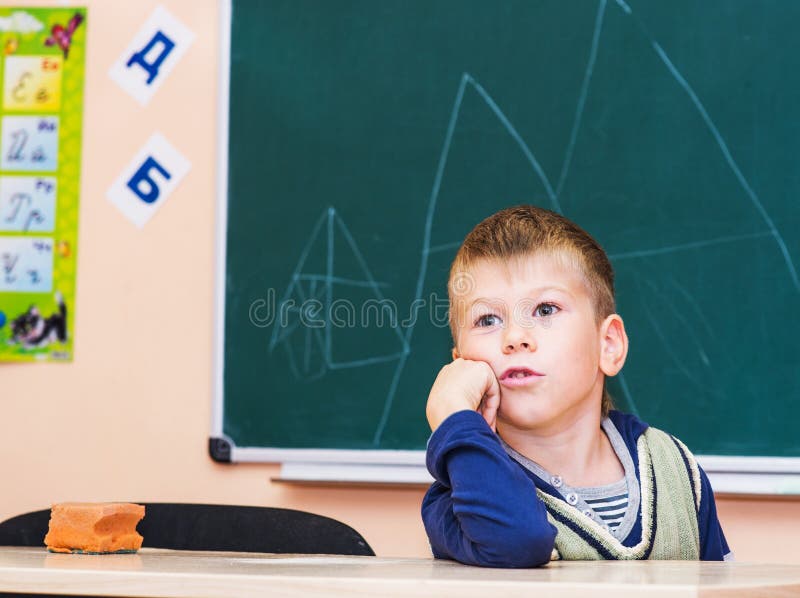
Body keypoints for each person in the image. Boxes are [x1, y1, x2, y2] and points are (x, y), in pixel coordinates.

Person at [421, 205, 731, 567]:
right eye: (487, 319)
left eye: (545, 309)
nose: (515, 337)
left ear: (608, 345)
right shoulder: (461, 495)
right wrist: (456, 415)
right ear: (461, 365)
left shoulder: (675, 469)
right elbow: (520, 542)